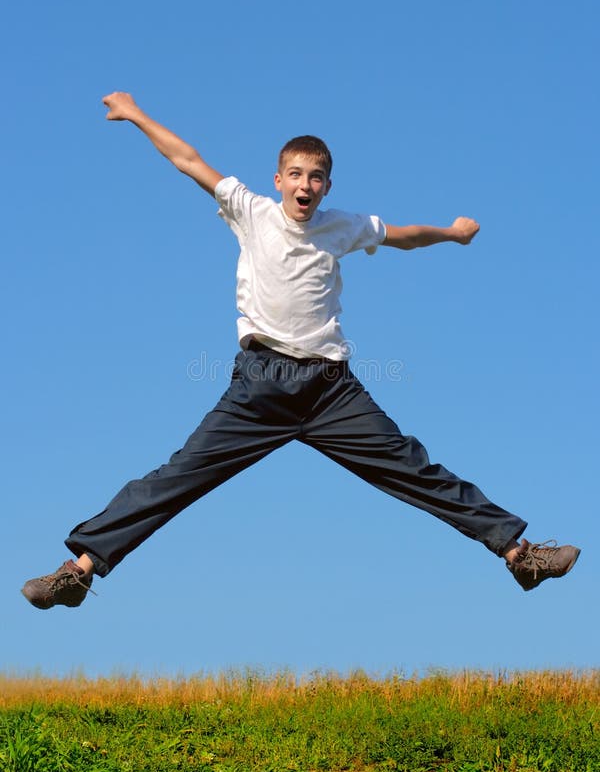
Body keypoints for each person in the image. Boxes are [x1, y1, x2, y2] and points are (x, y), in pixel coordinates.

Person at [22, 92, 580, 610]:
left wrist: (452, 234)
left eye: (315, 177)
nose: (304, 185)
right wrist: (137, 113)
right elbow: (188, 160)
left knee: (415, 468)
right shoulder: (250, 210)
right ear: (279, 179)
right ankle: (81, 570)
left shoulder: (344, 226)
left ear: (327, 186)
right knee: (178, 476)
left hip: (331, 391)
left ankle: (519, 555)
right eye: (295, 175)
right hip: (260, 386)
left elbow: (404, 235)